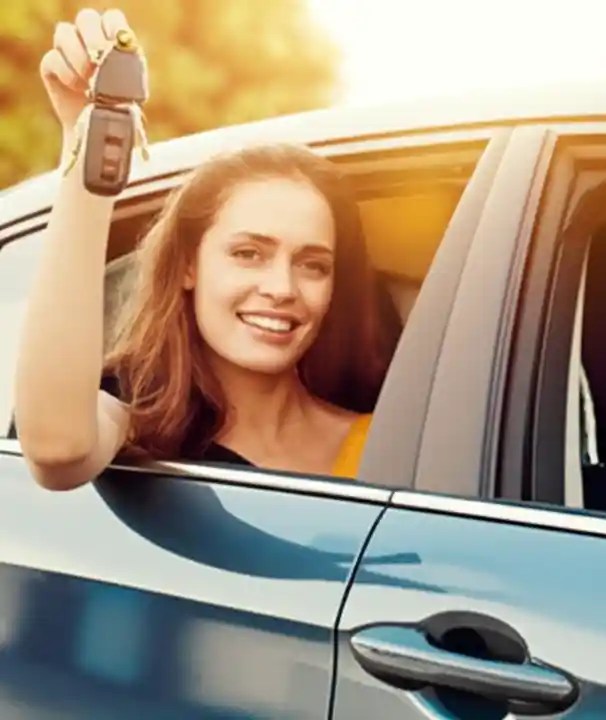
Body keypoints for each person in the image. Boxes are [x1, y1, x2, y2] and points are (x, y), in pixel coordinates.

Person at [15, 8, 398, 491]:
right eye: (248, 254)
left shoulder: (393, 443)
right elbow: (56, 450)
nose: (282, 288)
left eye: (312, 264)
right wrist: (83, 143)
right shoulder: (139, 426)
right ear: (188, 265)